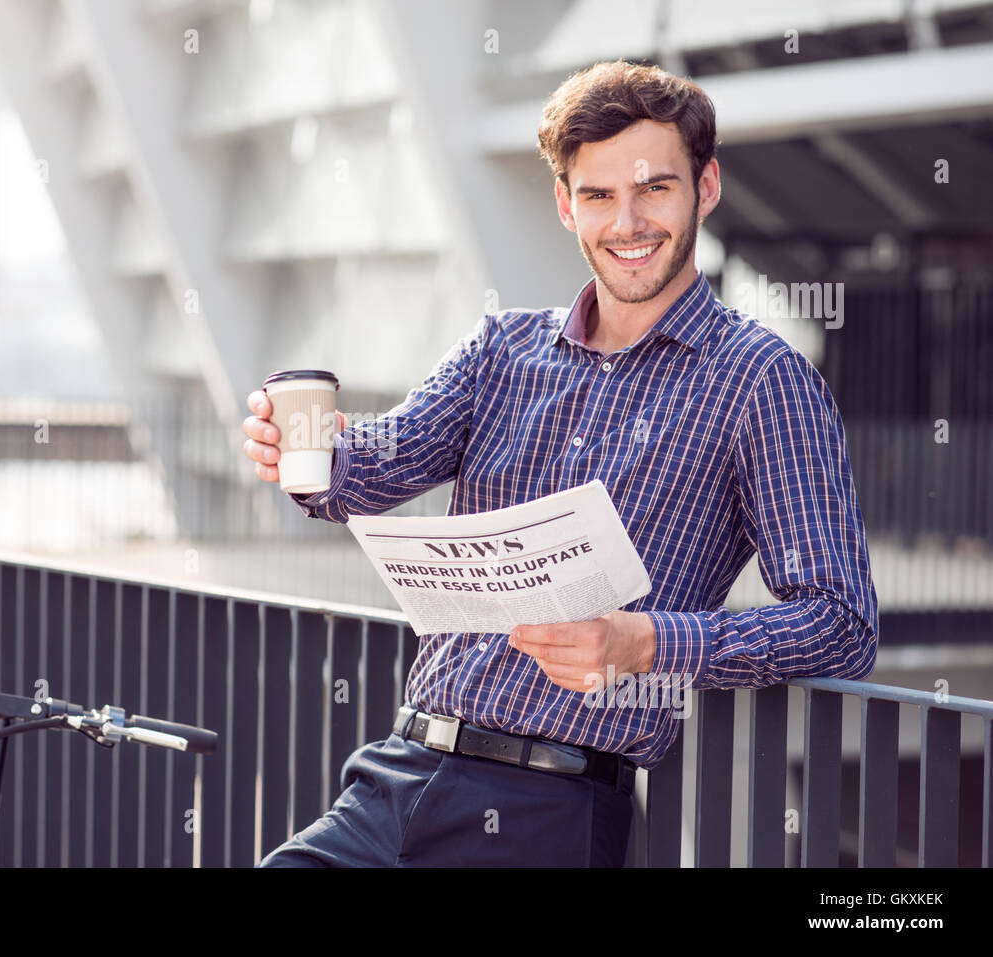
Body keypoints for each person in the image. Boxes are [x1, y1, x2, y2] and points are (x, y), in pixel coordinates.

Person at [240, 60, 878, 867]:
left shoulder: (764, 383)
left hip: (552, 811)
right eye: (600, 195)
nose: (629, 221)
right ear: (565, 204)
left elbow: (840, 621)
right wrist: (303, 444)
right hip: (392, 780)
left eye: (655, 188)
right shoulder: (500, 349)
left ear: (706, 188)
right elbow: (375, 466)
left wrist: (645, 643)